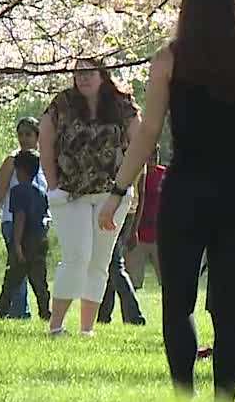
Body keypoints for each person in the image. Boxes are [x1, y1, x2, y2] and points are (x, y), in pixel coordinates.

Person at [99, 0, 235, 402]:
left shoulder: (171, 58)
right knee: (229, 306)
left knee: (178, 301)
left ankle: (184, 398)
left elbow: (148, 132)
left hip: (185, 190)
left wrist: (119, 190)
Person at [40, 58, 141, 336]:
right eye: (78, 72)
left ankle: (87, 329)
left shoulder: (122, 104)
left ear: (103, 74)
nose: (82, 78)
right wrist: (53, 186)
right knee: (77, 255)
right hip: (70, 193)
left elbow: (140, 143)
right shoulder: (62, 103)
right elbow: (45, 142)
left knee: (99, 261)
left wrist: (127, 185)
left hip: (112, 194)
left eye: (89, 72)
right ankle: (56, 326)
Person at [0, 117, 42, 318]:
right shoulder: (12, 161)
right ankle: (19, 313)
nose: (24, 139)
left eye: (28, 134)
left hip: (37, 224)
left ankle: (37, 311)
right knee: (17, 269)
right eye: (21, 134)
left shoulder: (44, 161)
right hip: (13, 220)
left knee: (35, 270)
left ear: (37, 137)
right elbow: (0, 191)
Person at [0, 151, 52, 319]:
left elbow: (20, 217)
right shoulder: (40, 192)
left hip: (25, 240)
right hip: (39, 239)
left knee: (12, 280)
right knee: (40, 281)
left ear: (20, 170)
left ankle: (2, 311)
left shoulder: (17, 191)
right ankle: (45, 312)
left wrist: (17, 243)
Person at [98, 170, 145, 326]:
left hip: (116, 209)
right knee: (110, 263)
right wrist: (135, 227)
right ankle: (103, 314)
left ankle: (134, 316)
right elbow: (141, 192)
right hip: (129, 210)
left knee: (115, 265)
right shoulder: (140, 159)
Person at [127, 150, 164, 289]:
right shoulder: (138, 174)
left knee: (167, 279)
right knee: (134, 280)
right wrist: (132, 231)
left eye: (155, 155)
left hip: (160, 235)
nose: (153, 159)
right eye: (150, 155)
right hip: (139, 234)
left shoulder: (164, 174)